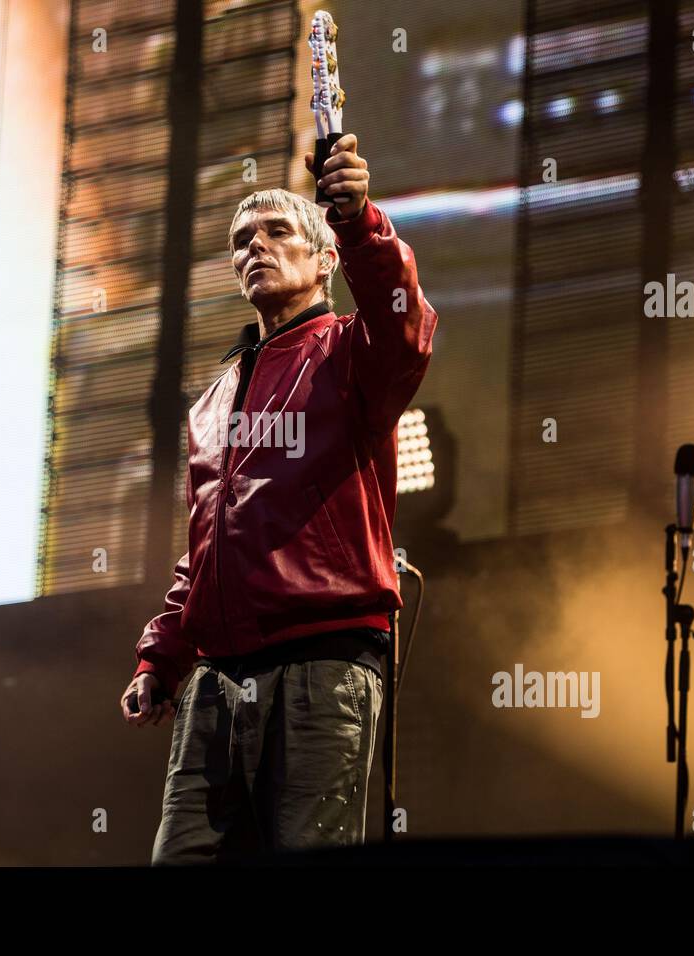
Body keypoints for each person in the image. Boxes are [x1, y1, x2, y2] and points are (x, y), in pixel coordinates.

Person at [118, 133, 437, 863]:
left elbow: (406, 327)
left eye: (277, 231)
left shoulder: (354, 354)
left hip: (322, 664)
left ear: (325, 259)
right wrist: (161, 656)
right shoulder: (213, 401)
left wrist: (359, 221)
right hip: (215, 680)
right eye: (241, 240)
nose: (254, 247)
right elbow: (205, 547)